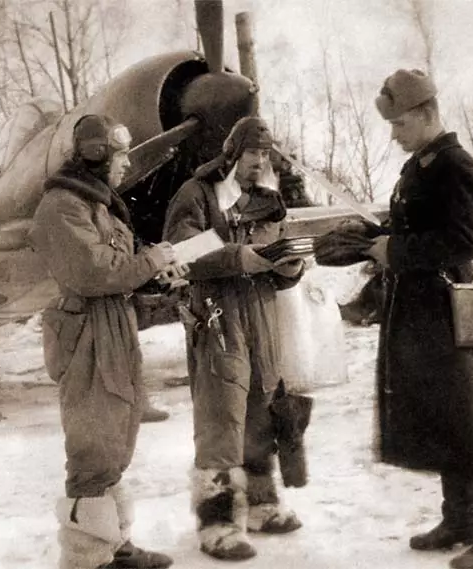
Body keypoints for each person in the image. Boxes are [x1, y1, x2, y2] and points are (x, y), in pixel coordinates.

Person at [30, 114, 176, 569]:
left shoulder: (98, 203)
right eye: (119, 154)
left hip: (112, 323)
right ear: (96, 155)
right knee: (92, 441)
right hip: (86, 331)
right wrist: (150, 260)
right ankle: (86, 558)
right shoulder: (62, 205)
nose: (126, 164)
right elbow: (91, 272)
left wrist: (156, 275)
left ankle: (114, 544)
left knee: (116, 433)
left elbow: (117, 269)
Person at [367, 68, 473, 569]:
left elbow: (467, 241)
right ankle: (459, 518)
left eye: (399, 124)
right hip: (422, 312)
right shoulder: (420, 165)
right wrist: (372, 237)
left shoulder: (455, 165)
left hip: (450, 309)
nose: (394, 134)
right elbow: (415, 225)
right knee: (446, 415)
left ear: (426, 114)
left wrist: (395, 251)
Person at [161, 116, 305, 561]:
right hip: (217, 314)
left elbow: (277, 248)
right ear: (231, 153)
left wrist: (289, 266)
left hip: (261, 314)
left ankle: (261, 503)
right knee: (221, 415)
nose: (259, 162)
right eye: (252, 153)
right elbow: (182, 252)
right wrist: (243, 257)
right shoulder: (196, 194)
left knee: (262, 406)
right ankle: (217, 521)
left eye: (265, 154)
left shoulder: (267, 200)